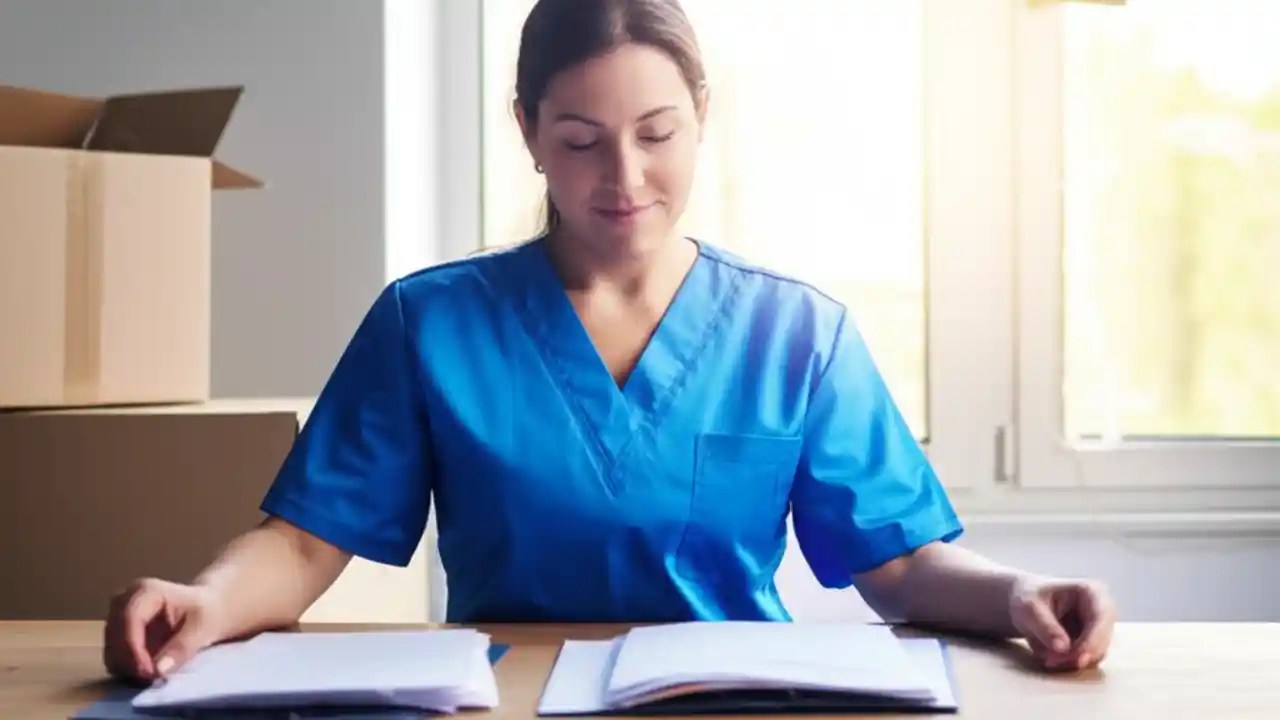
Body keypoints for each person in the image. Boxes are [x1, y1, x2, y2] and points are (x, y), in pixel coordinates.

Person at [103, 0, 1116, 683]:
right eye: (580, 141)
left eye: (656, 134)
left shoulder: (795, 334)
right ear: (528, 131)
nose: (622, 177)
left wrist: (1018, 593)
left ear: (701, 118)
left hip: (725, 701)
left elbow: (899, 568)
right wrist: (204, 602)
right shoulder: (432, 322)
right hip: (504, 702)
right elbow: (306, 541)